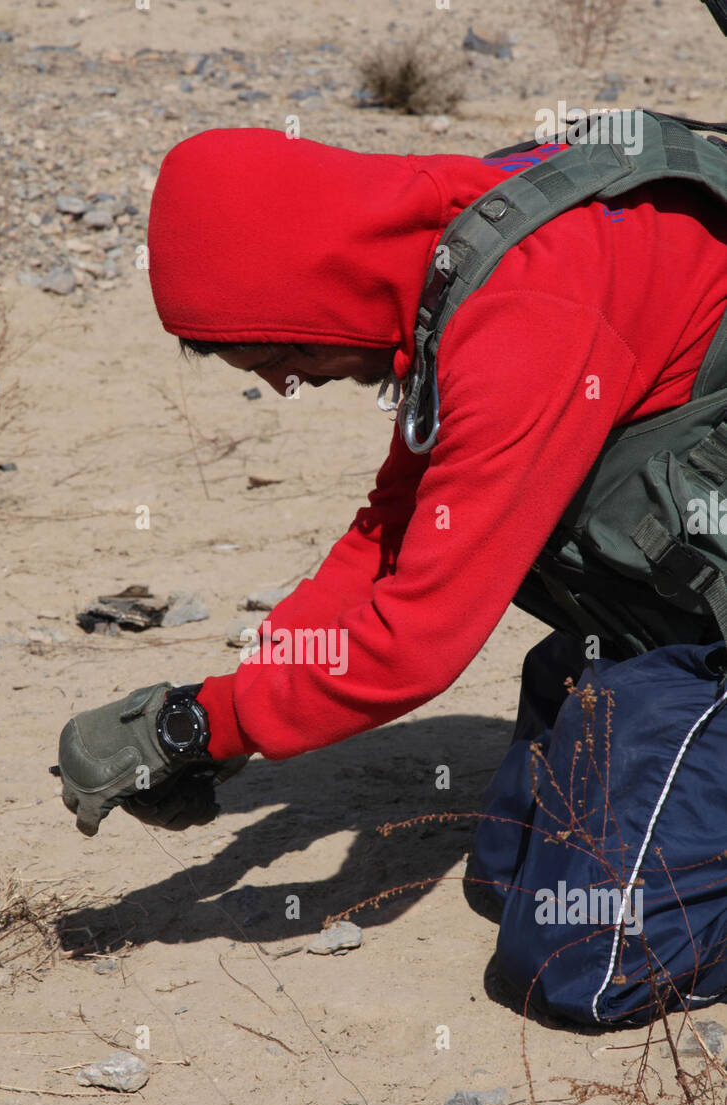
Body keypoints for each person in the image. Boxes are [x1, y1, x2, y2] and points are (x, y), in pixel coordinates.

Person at [56, 116, 727, 1026]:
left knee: (581, 958)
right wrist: (217, 701)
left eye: (286, 355)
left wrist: (203, 730)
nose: (293, 383)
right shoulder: (452, 245)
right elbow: (394, 531)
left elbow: (415, 641)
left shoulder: (527, 313)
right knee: (507, 879)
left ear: (325, 287)